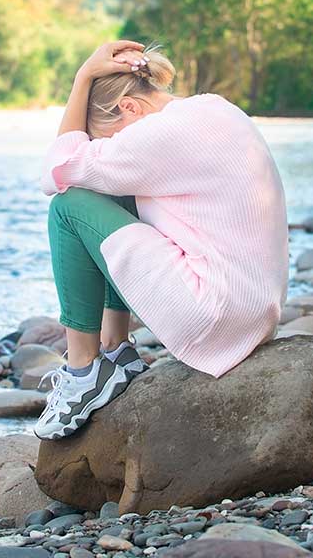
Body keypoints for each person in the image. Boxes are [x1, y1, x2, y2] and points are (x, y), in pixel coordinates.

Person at [33, 40, 289, 440]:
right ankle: (116, 351)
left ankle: (84, 372)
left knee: (69, 204)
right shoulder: (213, 107)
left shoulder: (157, 134)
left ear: (129, 108)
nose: (114, 146)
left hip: (215, 314)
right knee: (107, 186)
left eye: (111, 136)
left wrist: (83, 76)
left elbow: (56, 172)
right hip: (254, 307)